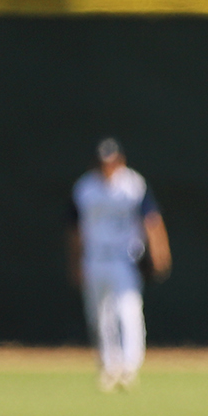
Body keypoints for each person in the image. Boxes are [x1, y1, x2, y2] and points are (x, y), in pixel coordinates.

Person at [69, 138, 170, 391]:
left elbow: (152, 220)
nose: (108, 167)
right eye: (104, 162)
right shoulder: (85, 188)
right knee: (99, 315)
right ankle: (109, 365)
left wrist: (160, 252)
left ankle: (130, 365)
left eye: (112, 162)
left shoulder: (133, 185)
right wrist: (76, 262)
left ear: (121, 161)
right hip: (94, 258)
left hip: (125, 258)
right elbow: (74, 229)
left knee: (129, 310)